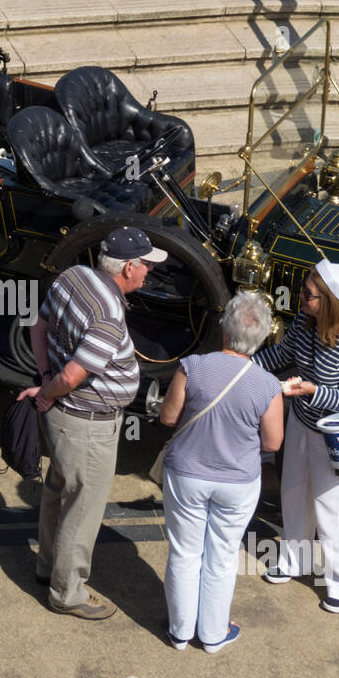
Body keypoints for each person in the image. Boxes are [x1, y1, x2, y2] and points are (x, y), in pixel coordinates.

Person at [17, 226, 161, 621]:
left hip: (64, 420)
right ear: (129, 268)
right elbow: (75, 376)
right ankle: (67, 593)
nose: (149, 271)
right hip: (88, 423)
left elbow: (39, 325)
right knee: (83, 507)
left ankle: (48, 567)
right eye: (146, 265)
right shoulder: (109, 317)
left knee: (57, 489)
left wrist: (44, 378)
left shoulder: (72, 277)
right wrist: (50, 390)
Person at [158, 293, 283, 653]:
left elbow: (168, 418)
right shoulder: (267, 384)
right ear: (260, 339)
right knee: (222, 556)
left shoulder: (192, 366)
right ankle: (213, 635)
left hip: (186, 474)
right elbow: (273, 442)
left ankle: (180, 632)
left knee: (184, 552)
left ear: (225, 331)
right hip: (238, 480)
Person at [252, 259, 339, 613]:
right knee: (293, 494)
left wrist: (313, 392)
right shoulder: (303, 326)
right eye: (304, 290)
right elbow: (281, 355)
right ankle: (295, 560)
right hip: (301, 424)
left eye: (309, 294)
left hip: (333, 435)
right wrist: (243, 365)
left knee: (332, 508)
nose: (301, 297)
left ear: (330, 301)